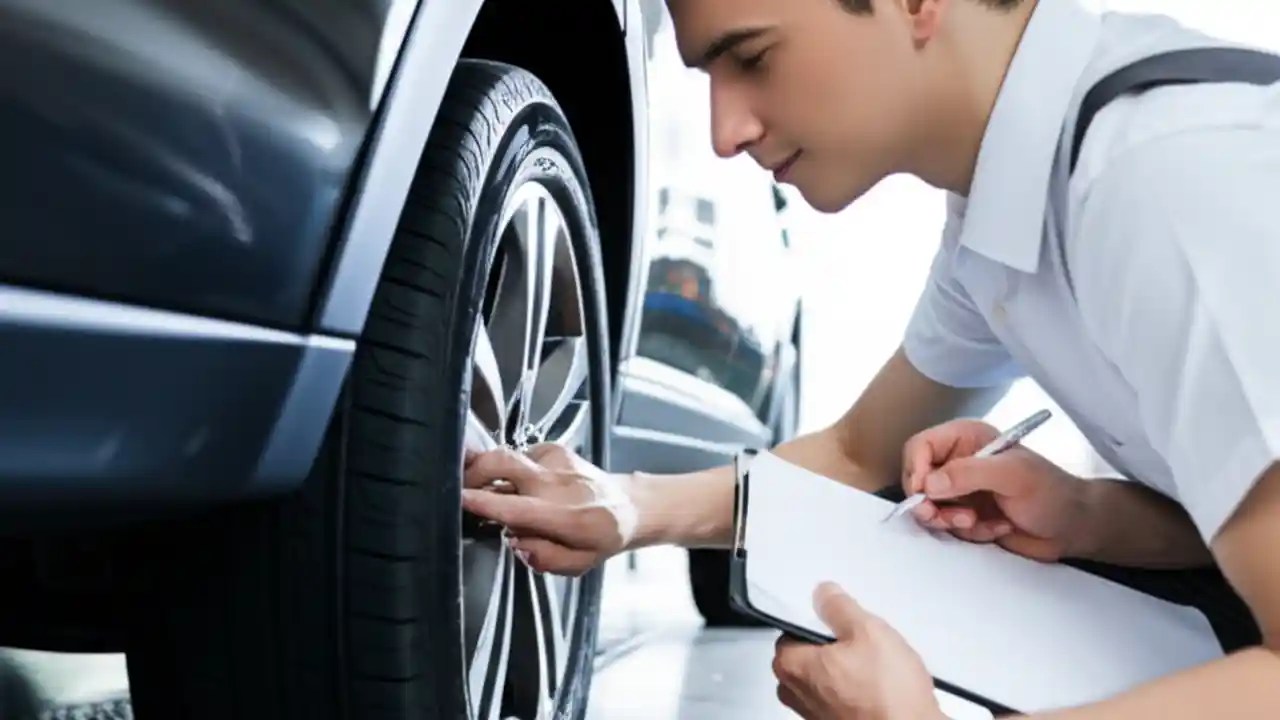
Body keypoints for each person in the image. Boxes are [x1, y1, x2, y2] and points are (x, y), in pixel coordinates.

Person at [462, 0, 1280, 717]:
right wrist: (630, 507)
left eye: (751, 58)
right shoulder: (1005, 211)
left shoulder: (1159, 182)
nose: (723, 132)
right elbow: (862, 449)